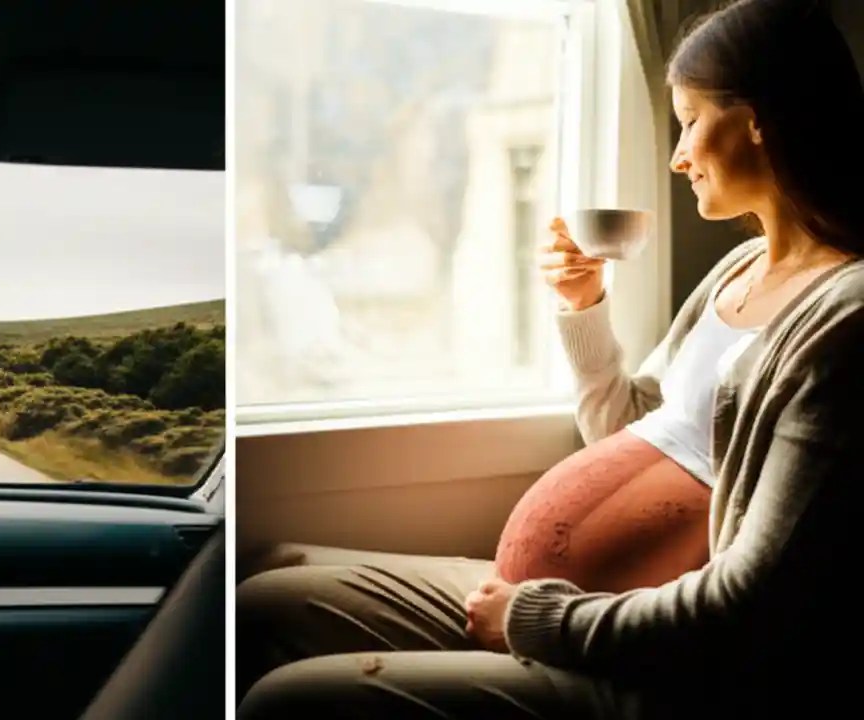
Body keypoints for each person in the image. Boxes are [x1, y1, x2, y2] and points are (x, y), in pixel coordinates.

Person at [236, 0, 864, 716]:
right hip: (556, 607)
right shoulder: (740, 269)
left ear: (758, 118)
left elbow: (747, 607)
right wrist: (584, 306)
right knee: (259, 596)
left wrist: (536, 619)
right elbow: (627, 428)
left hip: (656, 664)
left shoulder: (846, 319)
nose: (677, 155)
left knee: (284, 702)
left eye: (690, 120)